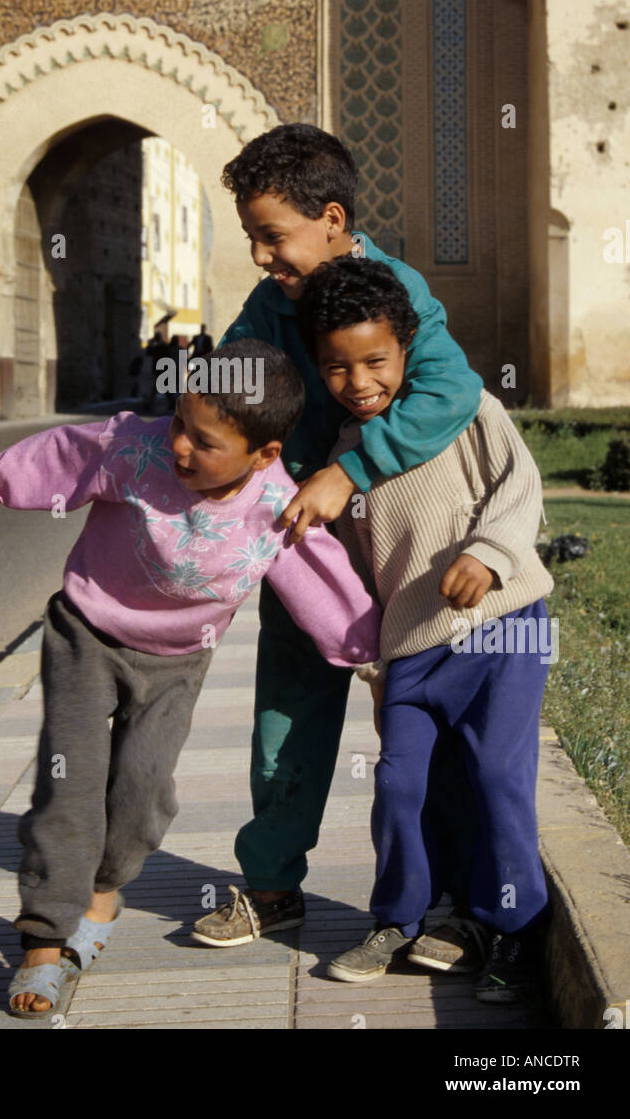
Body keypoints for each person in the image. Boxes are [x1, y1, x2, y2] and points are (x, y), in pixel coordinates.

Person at [0, 340, 380, 1019]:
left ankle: (106, 889)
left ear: (262, 454)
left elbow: (324, 583)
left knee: (143, 788)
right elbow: (67, 455)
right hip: (86, 634)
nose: (178, 446)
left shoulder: (276, 508)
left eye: (203, 442)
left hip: (177, 661)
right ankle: (45, 940)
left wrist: (372, 659)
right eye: (177, 423)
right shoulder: (136, 449)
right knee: (71, 784)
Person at [192, 122, 483, 954]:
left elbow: (450, 391)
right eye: (251, 237)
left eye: (271, 236)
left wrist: (350, 471)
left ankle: (450, 899)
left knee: (423, 725)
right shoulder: (270, 308)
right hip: (308, 552)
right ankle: (273, 884)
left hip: (410, 552)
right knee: (287, 715)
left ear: (330, 216)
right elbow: (231, 392)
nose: (260, 255)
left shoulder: (394, 289)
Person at [295, 254, 554, 1002]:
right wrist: (374, 668)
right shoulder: (345, 464)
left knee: (498, 774)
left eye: (376, 360)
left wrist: (490, 554)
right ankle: (401, 919)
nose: (360, 381)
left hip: (504, 629)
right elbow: (351, 580)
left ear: (407, 349)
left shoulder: (468, 408)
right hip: (411, 649)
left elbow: (521, 487)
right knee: (401, 781)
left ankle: (510, 931)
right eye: (337, 367)